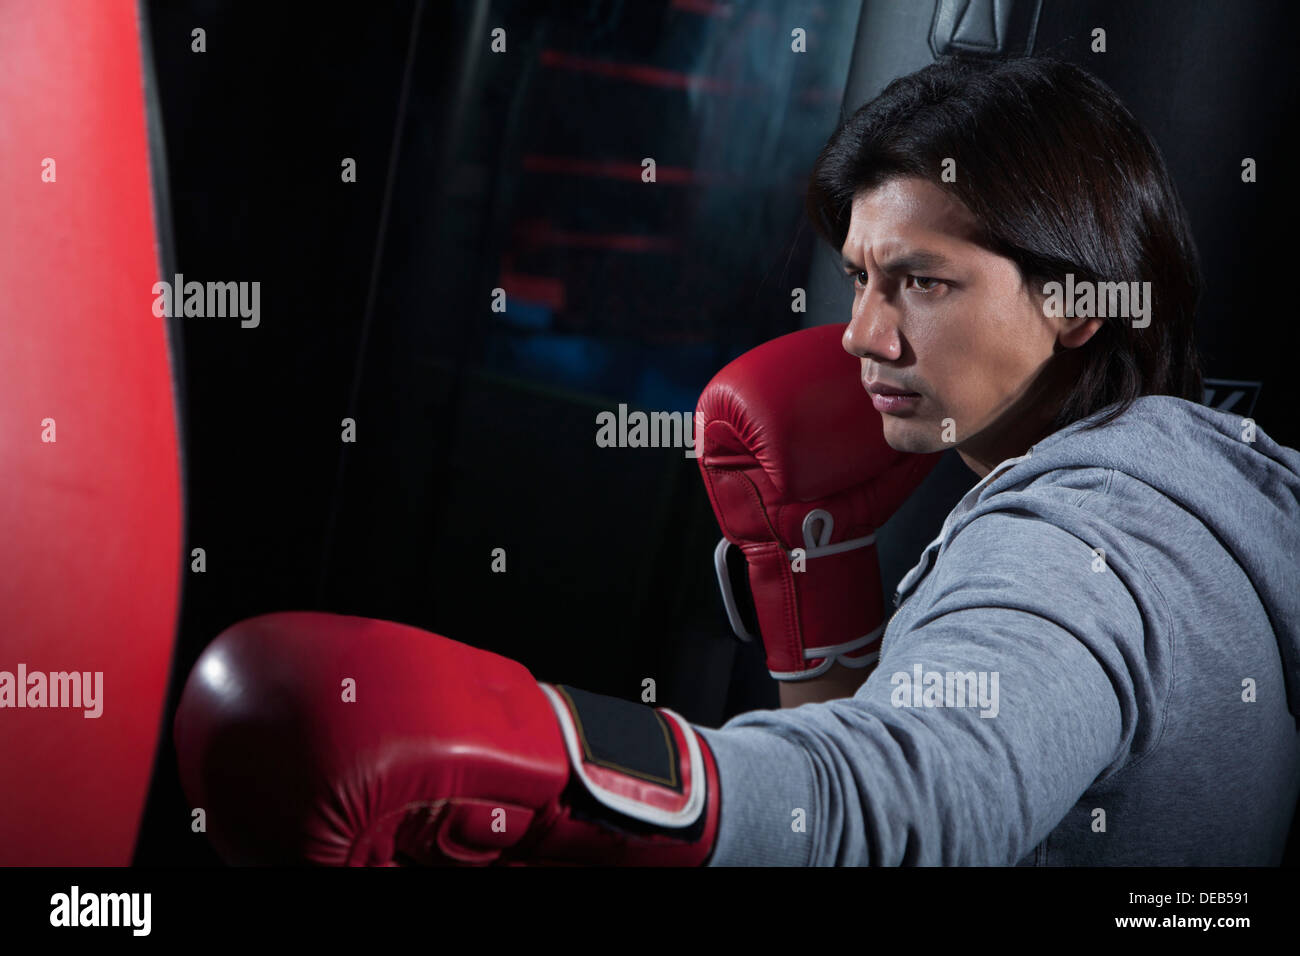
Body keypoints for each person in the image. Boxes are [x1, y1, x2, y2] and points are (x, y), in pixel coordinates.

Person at [174, 56, 1300, 866]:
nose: (866, 335)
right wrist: (816, 589)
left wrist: (563, 758)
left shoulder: (1075, 546)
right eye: (861, 278)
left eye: (923, 281)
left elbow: (925, 794)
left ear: (1073, 305)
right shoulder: (1192, 485)